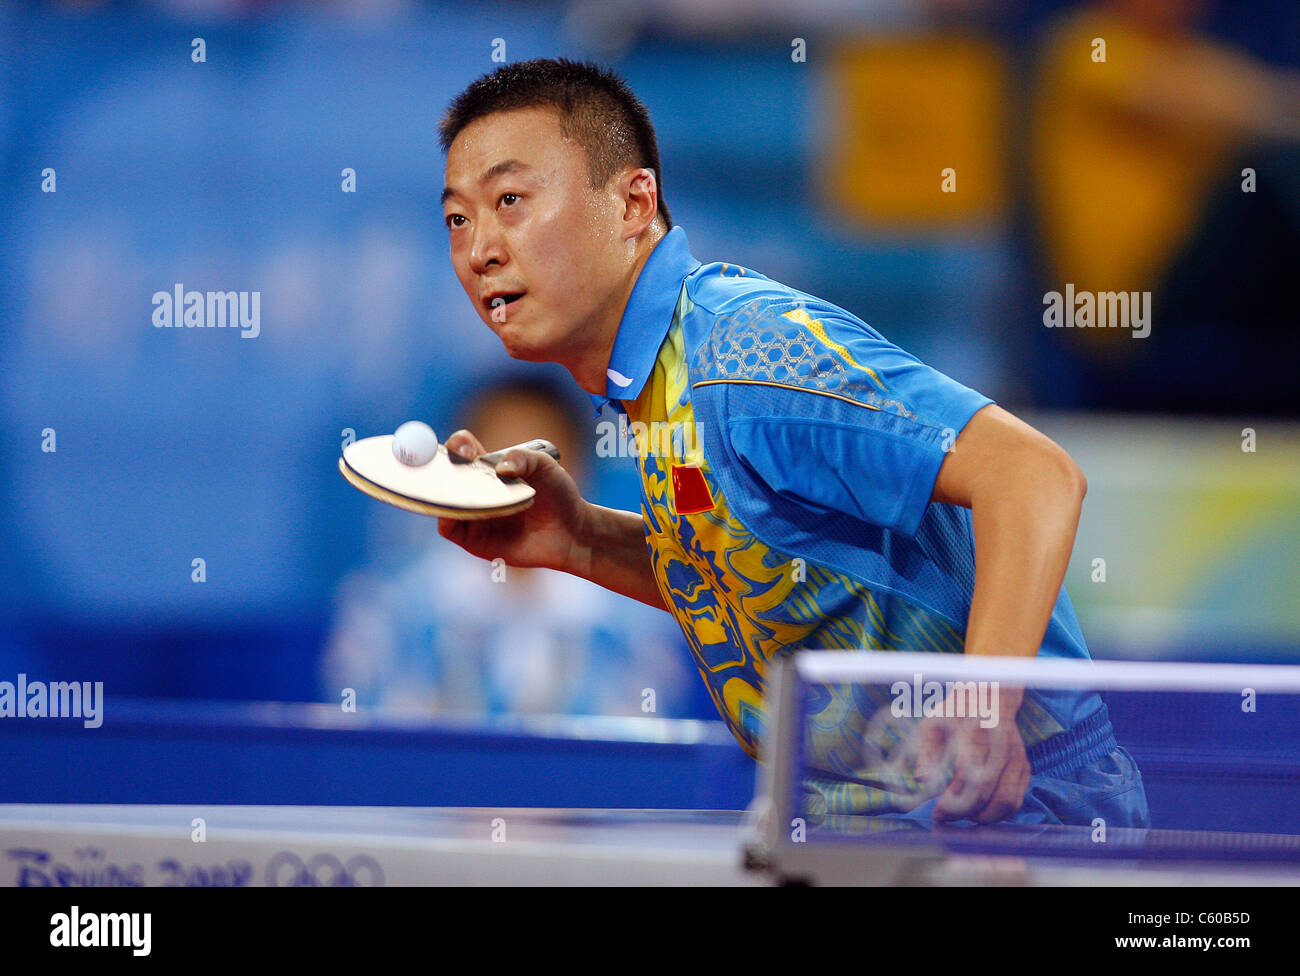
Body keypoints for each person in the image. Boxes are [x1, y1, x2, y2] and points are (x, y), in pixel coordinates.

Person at [434, 57, 1148, 827]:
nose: (480, 251)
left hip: (1007, 813)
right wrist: (577, 541)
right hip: (858, 823)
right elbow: (761, 564)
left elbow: (1033, 474)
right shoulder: (659, 382)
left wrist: (984, 699)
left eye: (511, 200)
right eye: (459, 218)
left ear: (634, 202)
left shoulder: (746, 354)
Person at [322, 375, 702, 719]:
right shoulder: (385, 606)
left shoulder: (638, 621)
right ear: (456, 464)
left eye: (541, 462)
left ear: (581, 470)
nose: (514, 476)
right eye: (496, 456)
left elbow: (640, 761)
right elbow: (370, 751)